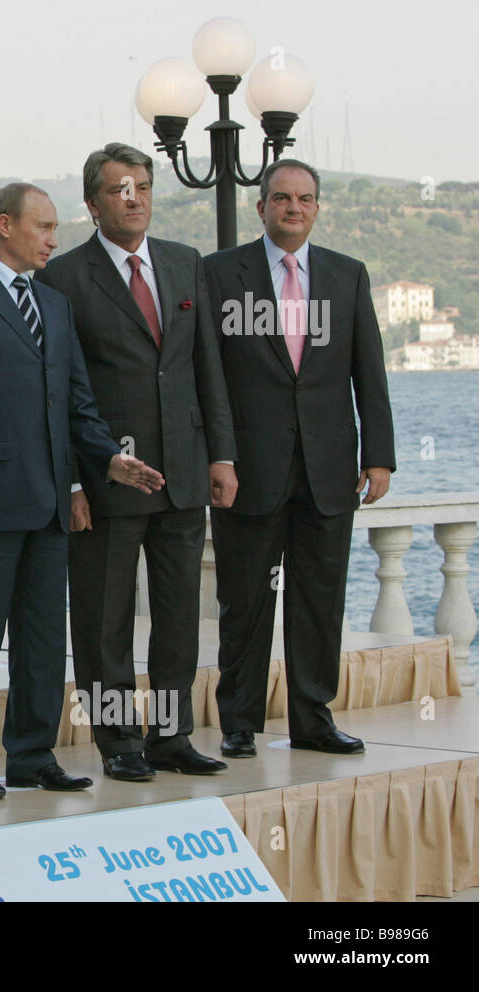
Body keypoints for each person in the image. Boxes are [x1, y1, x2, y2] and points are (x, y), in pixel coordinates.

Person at [0, 183, 165, 800]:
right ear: (5, 225)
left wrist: (108, 461)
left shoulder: (53, 304)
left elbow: (77, 403)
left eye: (56, 228)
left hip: (51, 503)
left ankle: (32, 755)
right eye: (44, 227)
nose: (55, 238)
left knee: (45, 639)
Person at [39, 143, 236, 781]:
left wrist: (222, 456)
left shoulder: (185, 264)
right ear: (93, 204)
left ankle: (172, 737)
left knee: (180, 615)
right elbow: (58, 390)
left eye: (143, 186)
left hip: (183, 473)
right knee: (104, 623)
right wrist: (74, 478)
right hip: (105, 480)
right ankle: (118, 740)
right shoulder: (62, 277)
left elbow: (209, 368)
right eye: (120, 188)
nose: (135, 197)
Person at [205, 159, 395, 758]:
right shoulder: (217, 274)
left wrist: (380, 455)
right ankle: (239, 721)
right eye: (281, 198)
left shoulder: (348, 275)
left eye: (305, 199)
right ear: (260, 207)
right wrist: (219, 455)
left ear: (317, 208)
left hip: (328, 467)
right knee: (245, 600)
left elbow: (370, 370)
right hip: (247, 470)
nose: (293, 208)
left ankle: (314, 719)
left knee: (319, 599)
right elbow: (208, 376)